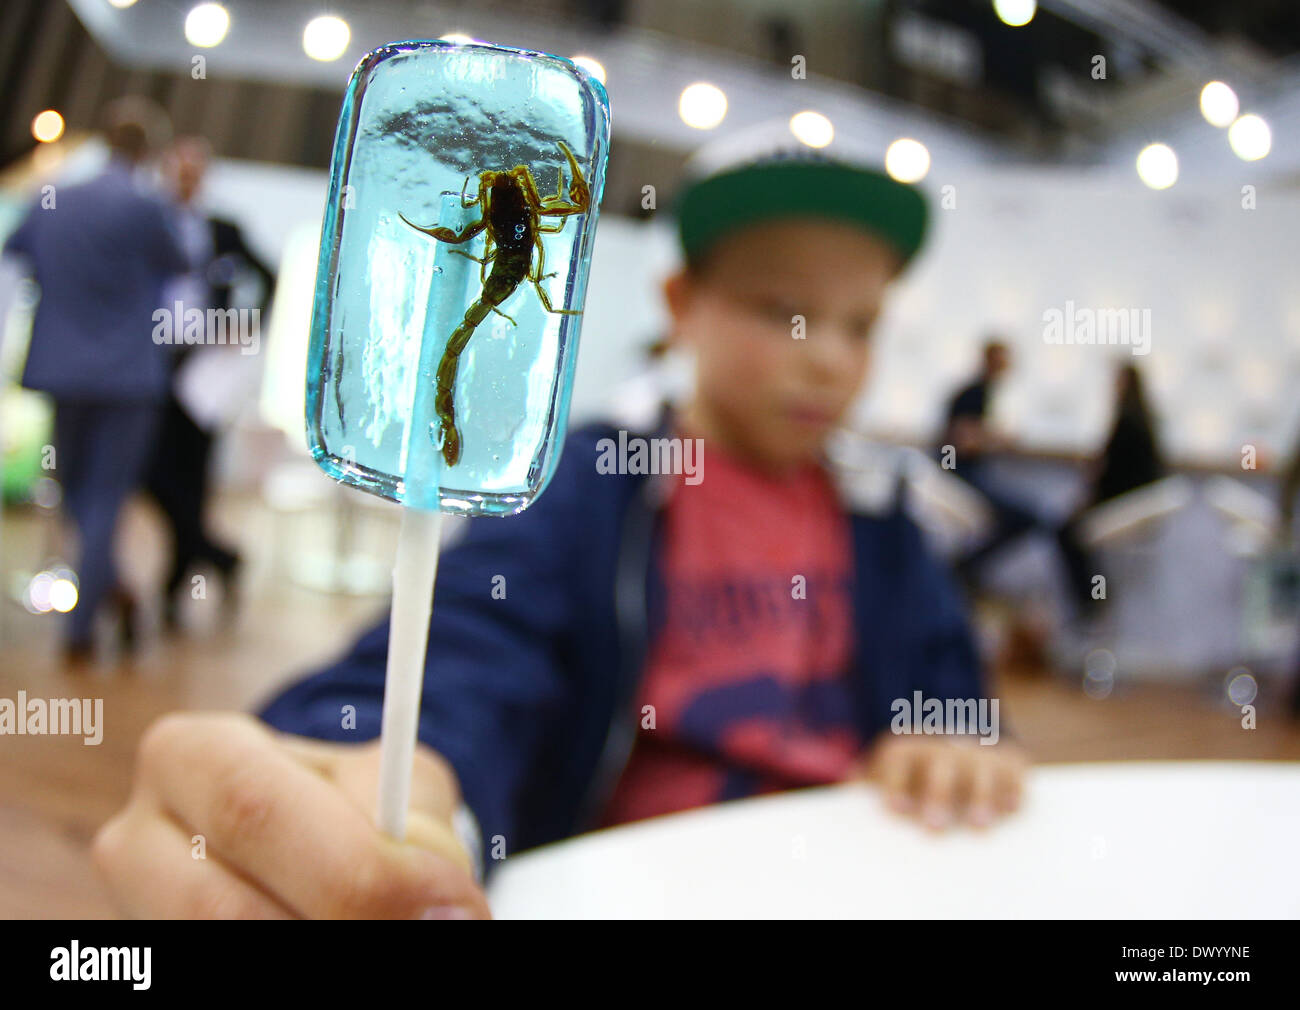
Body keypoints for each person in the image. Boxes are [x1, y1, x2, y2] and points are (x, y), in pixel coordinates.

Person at [92, 134, 1027, 919]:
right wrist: (370, 770)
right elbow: (471, 643)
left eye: (860, 325)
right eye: (783, 312)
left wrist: (954, 743)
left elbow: (948, 682)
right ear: (682, 305)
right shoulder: (589, 483)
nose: (826, 357)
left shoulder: (886, 521)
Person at [2, 97, 189, 666]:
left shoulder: (53, 197)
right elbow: (182, 267)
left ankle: (106, 592)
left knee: (76, 491)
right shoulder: (149, 205)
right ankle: (92, 615)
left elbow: (18, 254)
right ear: (147, 150)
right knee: (105, 494)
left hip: (64, 370)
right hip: (128, 377)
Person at [144, 137, 276, 628]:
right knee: (150, 474)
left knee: (192, 479)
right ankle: (218, 556)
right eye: (178, 169)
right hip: (149, 363)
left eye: (195, 171)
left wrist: (248, 323)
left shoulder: (223, 229)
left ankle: (174, 588)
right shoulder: (147, 221)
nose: (186, 179)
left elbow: (268, 273)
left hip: (203, 371)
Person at [1056, 363, 1164, 612]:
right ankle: (1097, 600)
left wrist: (1087, 500)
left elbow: (1109, 471)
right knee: (1078, 536)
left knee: (1068, 533)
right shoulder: (1145, 419)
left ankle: (1091, 604)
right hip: (1135, 506)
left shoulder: (1125, 420)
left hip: (1122, 506)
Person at [939, 339, 1045, 585]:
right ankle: (962, 569)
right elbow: (961, 441)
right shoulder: (974, 392)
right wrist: (997, 438)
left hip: (969, 472)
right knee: (1027, 516)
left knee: (1022, 517)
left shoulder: (984, 393)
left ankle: (964, 569)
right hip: (959, 473)